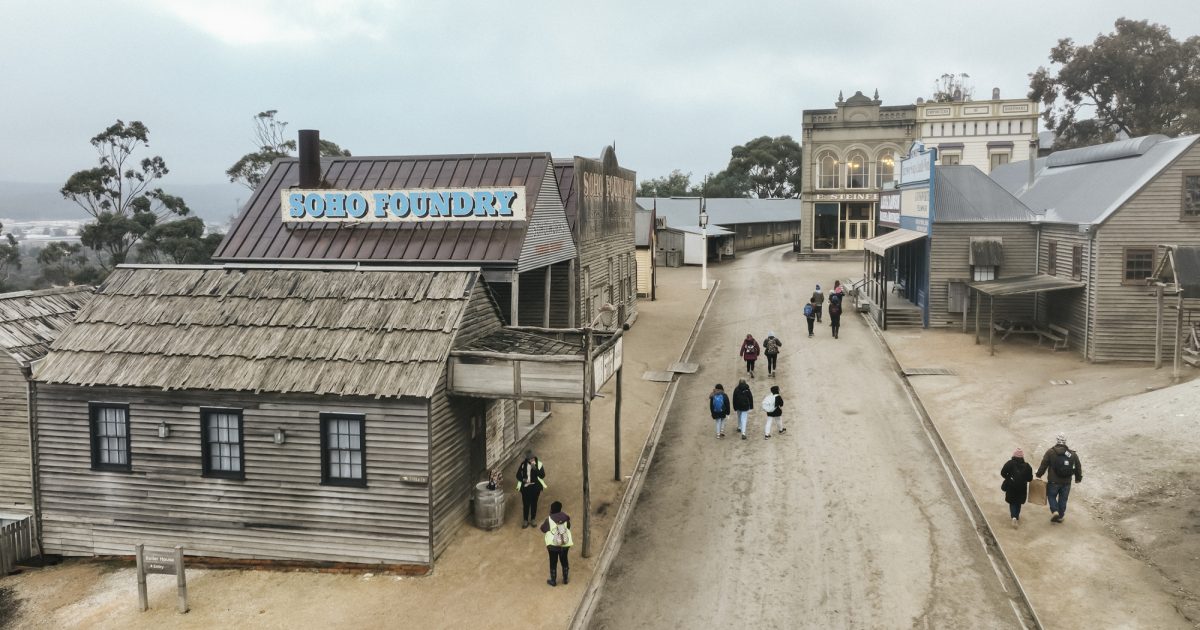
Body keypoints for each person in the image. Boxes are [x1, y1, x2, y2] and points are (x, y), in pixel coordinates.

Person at [1035, 433, 1083, 523]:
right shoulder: (1072, 454)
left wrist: (1039, 474)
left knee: (1051, 496)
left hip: (1053, 481)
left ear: (1057, 441)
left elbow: (1044, 464)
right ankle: (1060, 516)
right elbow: (1078, 466)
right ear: (1065, 442)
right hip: (1067, 482)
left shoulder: (1050, 452)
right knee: (1063, 499)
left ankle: (1055, 511)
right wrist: (1078, 478)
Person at [540, 501, 573, 586]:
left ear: (551, 509)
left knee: (553, 562)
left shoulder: (549, 519)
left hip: (553, 546)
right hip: (565, 544)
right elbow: (568, 526)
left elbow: (543, 529)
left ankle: (553, 581)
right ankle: (565, 579)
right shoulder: (565, 517)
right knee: (564, 560)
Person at [1000, 448, 1034, 529]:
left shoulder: (1010, 463)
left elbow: (1003, 473)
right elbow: (1030, 479)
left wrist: (1009, 477)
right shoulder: (1027, 466)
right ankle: (1016, 517)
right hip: (1022, 487)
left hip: (1011, 486)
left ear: (1014, 455)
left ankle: (1014, 517)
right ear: (1022, 457)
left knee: (1012, 502)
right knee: (1018, 502)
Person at [515, 451, 546, 529]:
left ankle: (533, 519)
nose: (531, 460)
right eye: (530, 459)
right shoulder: (523, 465)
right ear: (527, 459)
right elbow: (518, 475)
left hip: (535, 487)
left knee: (534, 503)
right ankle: (525, 520)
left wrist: (535, 469)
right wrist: (523, 480)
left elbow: (542, 475)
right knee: (526, 504)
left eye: (532, 458)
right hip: (526, 488)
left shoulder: (539, 464)